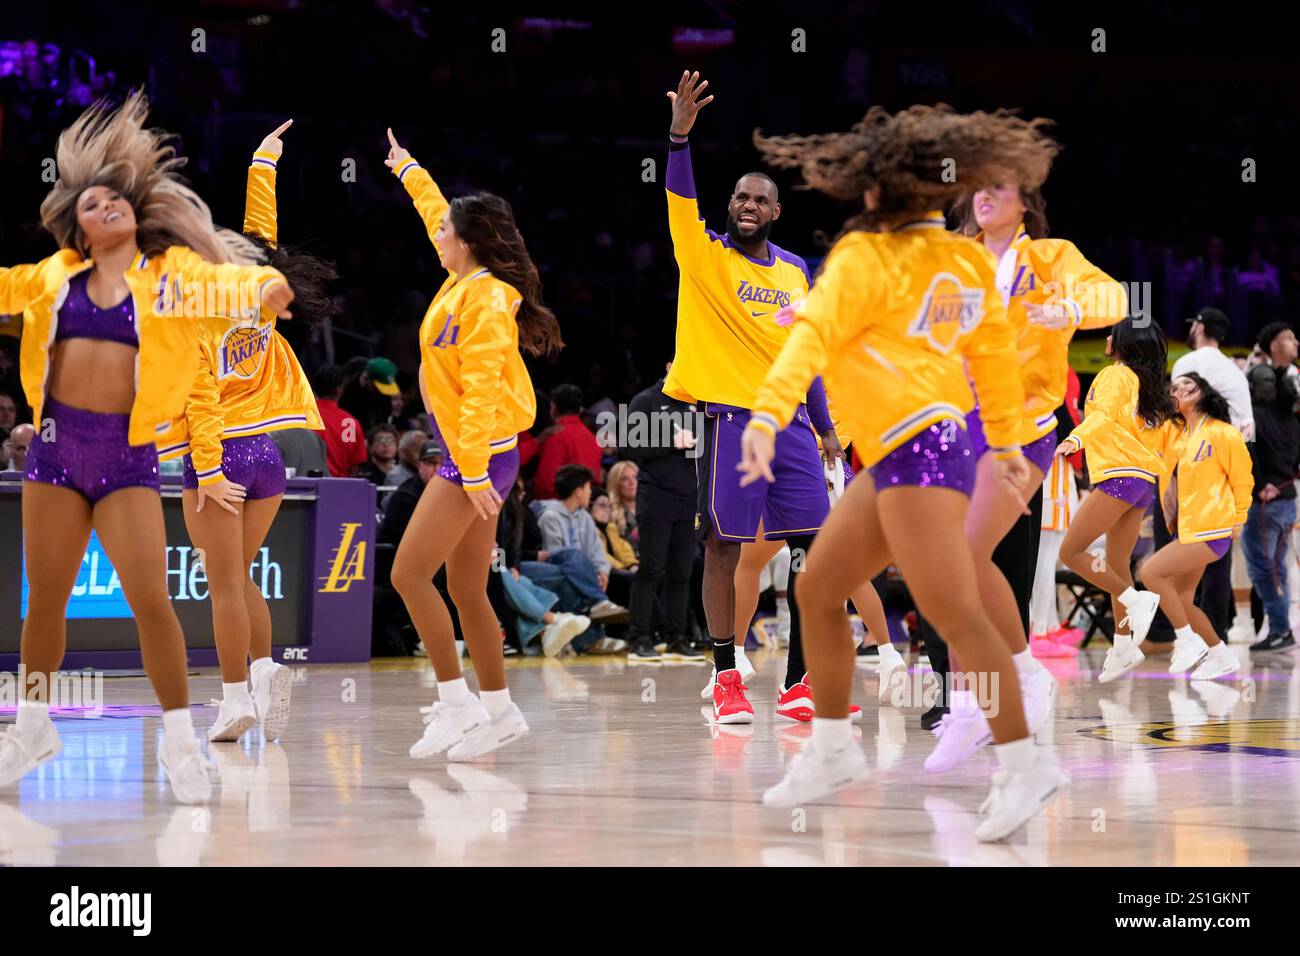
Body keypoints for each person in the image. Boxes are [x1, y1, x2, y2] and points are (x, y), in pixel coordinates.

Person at [742, 102, 1067, 841]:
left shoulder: (865, 255)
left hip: (915, 451)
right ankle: (830, 748)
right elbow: (990, 362)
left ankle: (1025, 766)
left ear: (876, 189)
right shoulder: (963, 260)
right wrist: (1011, 446)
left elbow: (813, 337)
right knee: (819, 587)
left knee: (955, 617)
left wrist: (766, 416)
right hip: (926, 448)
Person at [0, 93, 294, 803]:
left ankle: (180, 741)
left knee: (152, 605)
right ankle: (33, 723)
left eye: (115, 199)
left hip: (127, 459)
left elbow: (235, 281)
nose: (108, 206)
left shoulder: (171, 279)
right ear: (77, 226)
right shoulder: (51, 278)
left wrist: (268, 284)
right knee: (45, 603)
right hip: (57, 454)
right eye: (93, 204)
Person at [921, 168, 1128, 773]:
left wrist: (1070, 302)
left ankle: (977, 702)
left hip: (1025, 433)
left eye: (1000, 187)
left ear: (1025, 205)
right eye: (978, 187)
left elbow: (1112, 297)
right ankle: (1008, 681)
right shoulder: (956, 262)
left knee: (960, 558)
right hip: (959, 431)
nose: (984, 196)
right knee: (959, 564)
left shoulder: (1051, 257)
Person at [661, 71, 845, 724]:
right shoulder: (702, 255)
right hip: (731, 423)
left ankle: (798, 682)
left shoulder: (797, 270)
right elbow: (681, 199)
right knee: (724, 548)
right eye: (739, 196)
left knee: (813, 553)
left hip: (793, 428)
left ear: (774, 211)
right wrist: (680, 138)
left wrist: (824, 427)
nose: (747, 205)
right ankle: (726, 677)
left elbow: (809, 355)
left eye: (759, 199)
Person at [385, 128, 563, 761]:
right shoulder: (462, 277)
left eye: (446, 233)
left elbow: (484, 388)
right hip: (479, 452)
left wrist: (471, 469)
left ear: (466, 242)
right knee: (464, 587)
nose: (437, 235)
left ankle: (456, 705)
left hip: (479, 453)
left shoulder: (488, 298)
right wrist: (409, 170)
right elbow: (438, 214)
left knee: (408, 573)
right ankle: (499, 709)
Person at [159, 119, 332, 743]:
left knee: (224, 584)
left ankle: (236, 697)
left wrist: (204, 472)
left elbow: (201, 398)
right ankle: (263, 671)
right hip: (266, 454)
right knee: (243, 577)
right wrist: (264, 164)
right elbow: (265, 233)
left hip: (221, 456)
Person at [1056, 318, 1177, 682]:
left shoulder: (1115, 375)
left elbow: (1103, 417)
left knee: (1071, 553)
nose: (1107, 337)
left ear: (1125, 343)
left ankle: (1133, 598)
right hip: (1142, 481)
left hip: (1119, 475)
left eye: (1114, 332)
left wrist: (1075, 439)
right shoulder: (1145, 383)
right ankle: (1124, 645)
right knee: (1117, 562)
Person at [1141, 373, 1252, 680]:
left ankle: (1186, 640)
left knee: (1150, 572)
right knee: (1183, 601)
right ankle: (1219, 654)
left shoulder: (1223, 432)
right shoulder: (1175, 433)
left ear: (1204, 393)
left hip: (1213, 526)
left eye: (1190, 384)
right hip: (1188, 528)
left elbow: (1243, 479)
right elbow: (1145, 438)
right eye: (1175, 387)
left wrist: (1239, 518)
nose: (1182, 388)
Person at [621, 362, 703, 661]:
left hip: (689, 497)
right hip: (655, 496)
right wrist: (670, 440)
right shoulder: (646, 401)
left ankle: (676, 637)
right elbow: (628, 445)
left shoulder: (698, 402)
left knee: (682, 572)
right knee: (651, 569)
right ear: (669, 366)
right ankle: (639, 639)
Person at [1243, 331, 1300, 651]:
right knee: (1277, 567)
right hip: (1287, 500)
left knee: (1265, 569)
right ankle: (1279, 628)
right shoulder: (1291, 420)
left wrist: (1260, 484)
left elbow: (1250, 454)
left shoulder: (1254, 418)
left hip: (1265, 503)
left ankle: (1280, 629)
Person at [532, 382, 603, 500]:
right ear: (580, 410)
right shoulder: (592, 438)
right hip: (585, 504)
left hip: (559, 506)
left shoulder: (555, 435)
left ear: (553, 407)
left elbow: (545, 484)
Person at [380, 439, 444, 544]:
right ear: (419, 465)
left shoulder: (451, 492)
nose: (437, 469)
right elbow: (412, 541)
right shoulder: (405, 497)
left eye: (442, 463)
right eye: (431, 463)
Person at [312, 364, 369, 477]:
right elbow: (355, 463)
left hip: (307, 487)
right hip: (340, 487)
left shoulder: (301, 417)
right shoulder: (350, 423)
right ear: (338, 389)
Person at [604, 459, 640, 556]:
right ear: (616, 484)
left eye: (635, 477)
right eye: (625, 479)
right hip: (627, 565)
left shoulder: (652, 508)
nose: (632, 483)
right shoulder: (609, 513)